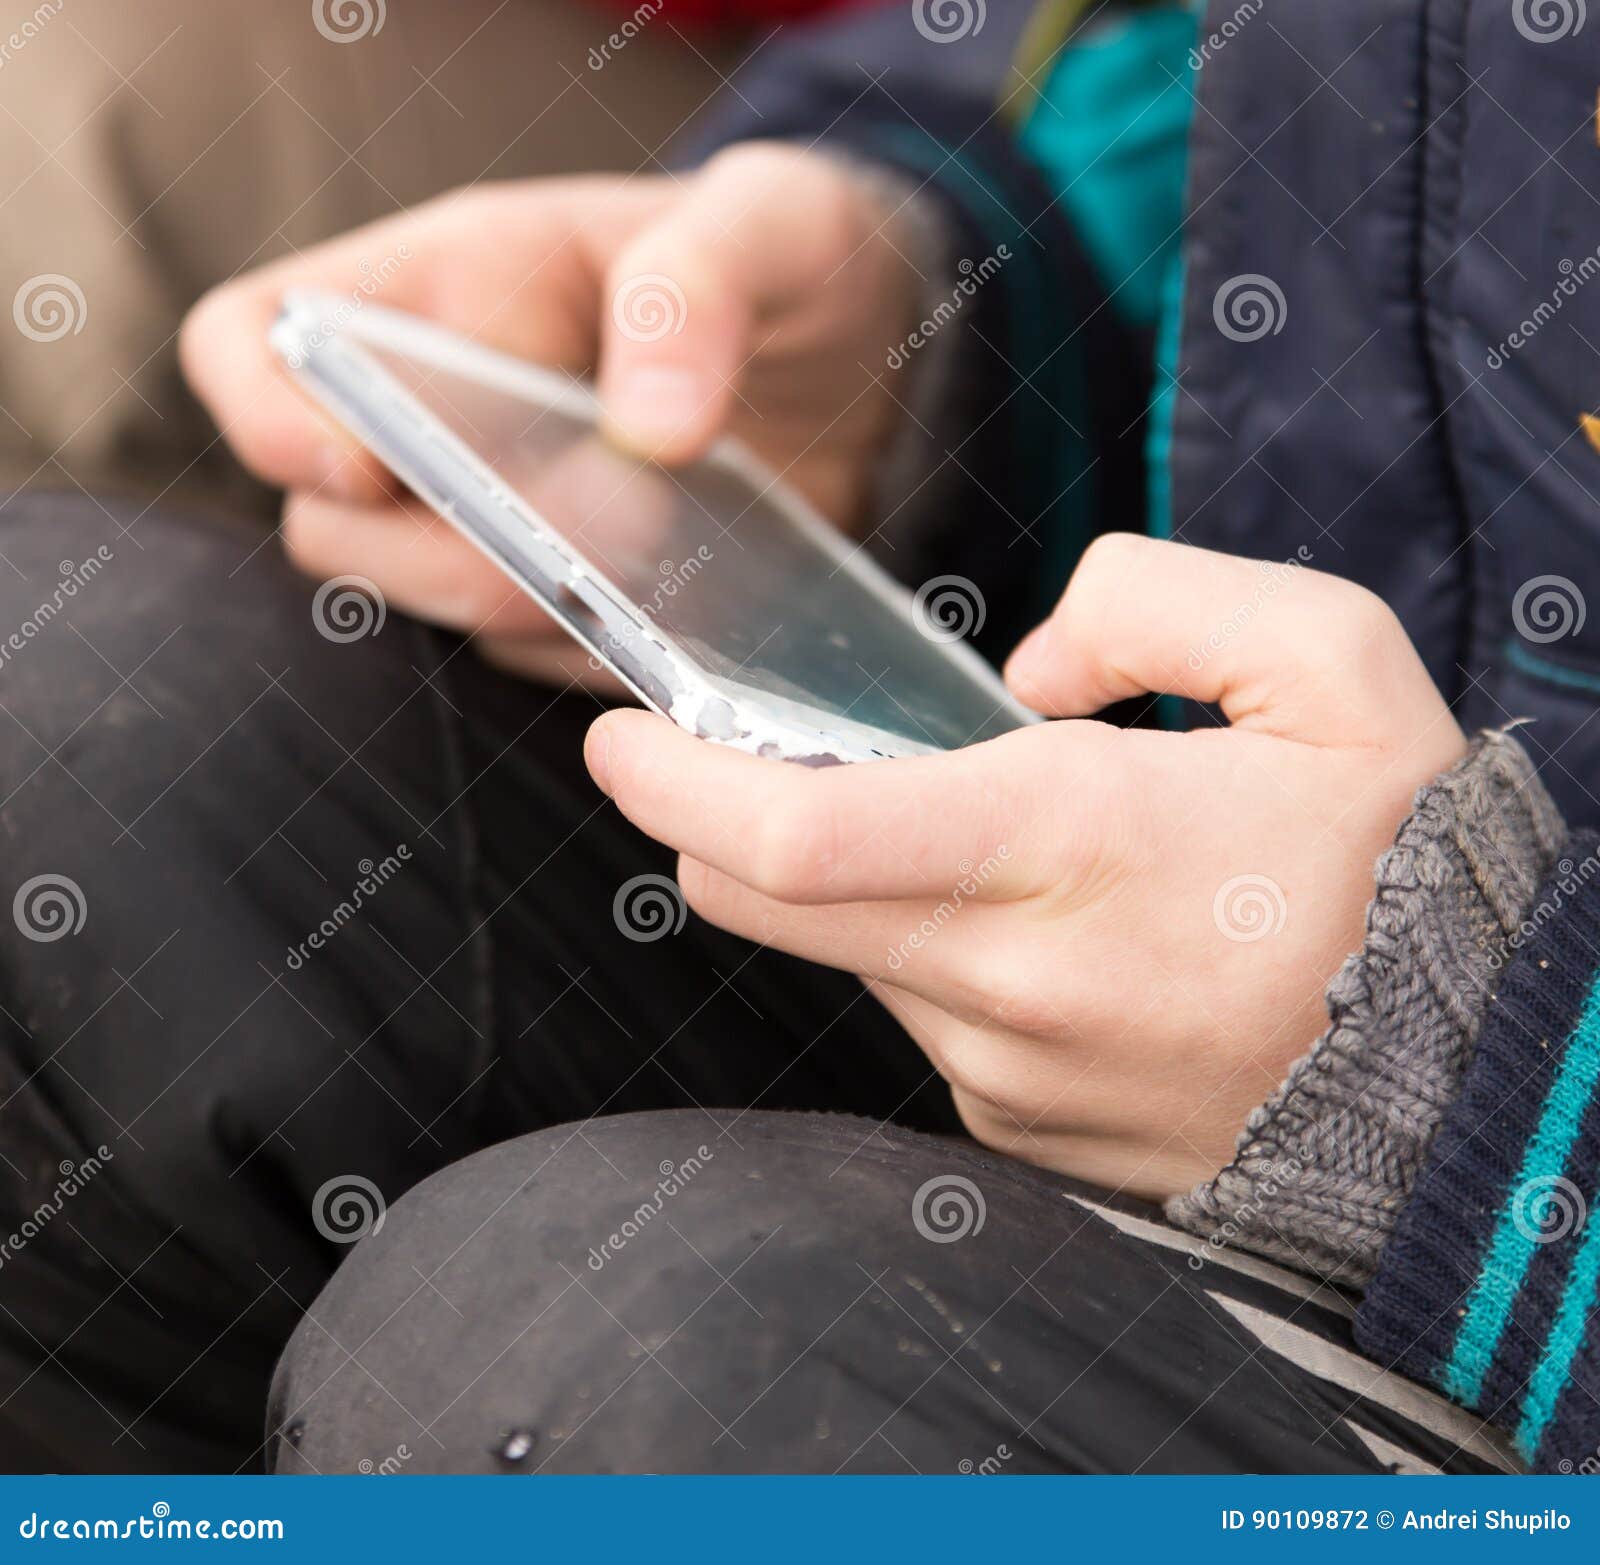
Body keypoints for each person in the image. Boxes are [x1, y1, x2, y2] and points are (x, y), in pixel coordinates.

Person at [1, 0, 1594, 1476]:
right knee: (56, 734)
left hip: (1521, 1221)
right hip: (1169, 913)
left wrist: (1480, 1089)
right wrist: (956, 329)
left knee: (611, 1366)